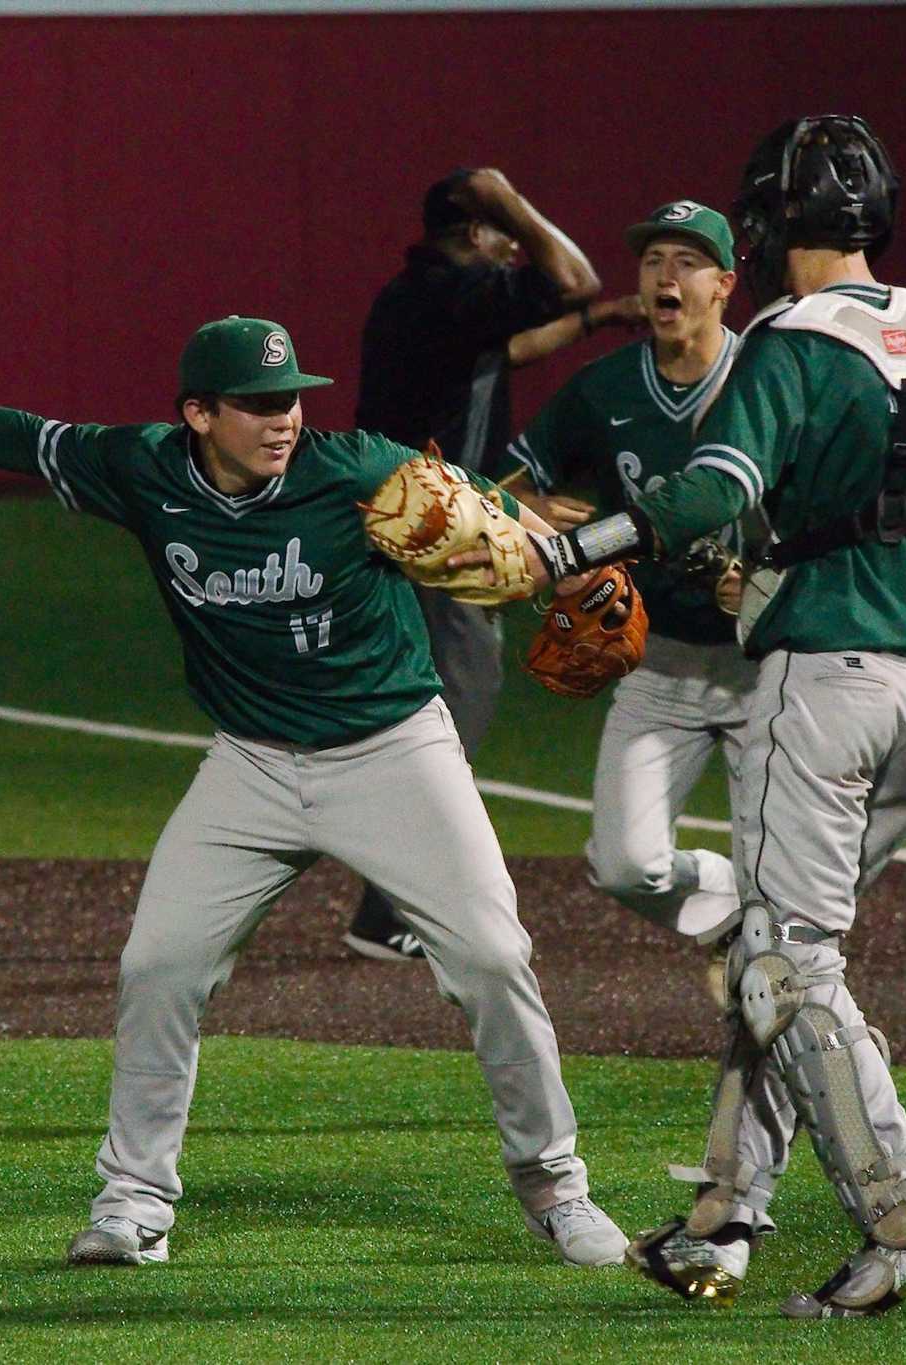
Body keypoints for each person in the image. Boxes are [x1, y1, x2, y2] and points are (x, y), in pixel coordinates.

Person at [484, 116, 906, 1316]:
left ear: (765, 223)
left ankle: (900, 1219)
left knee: (785, 970)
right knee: (776, 953)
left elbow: (709, 494)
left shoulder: (786, 344)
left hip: (819, 686)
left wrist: (569, 546)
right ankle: (721, 1221)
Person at [0, 315, 628, 1272]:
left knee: (494, 956)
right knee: (159, 965)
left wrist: (571, 554)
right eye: (258, 403)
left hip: (393, 750)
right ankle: (133, 1202)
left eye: (290, 398)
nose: (283, 418)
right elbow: (17, 435)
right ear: (198, 414)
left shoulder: (357, 469)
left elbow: (488, 505)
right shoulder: (144, 468)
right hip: (250, 765)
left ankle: (556, 1188)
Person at [343, 167, 645, 962]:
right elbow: (574, 277)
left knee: (419, 713)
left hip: (407, 523)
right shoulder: (453, 293)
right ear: (474, 231)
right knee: (450, 715)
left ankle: (389, 895)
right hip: (436, 535)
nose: (513, 246)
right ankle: (387, 906)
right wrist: (507, 197)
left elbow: (508, 348)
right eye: (499, 233)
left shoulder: (420, 298)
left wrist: (598, 322)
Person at [501, 199, 752, 942]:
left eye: (686, 262)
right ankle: (726, 892)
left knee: (791, 873)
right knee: (623, 865)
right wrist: (528, 509)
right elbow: (504, 489)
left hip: (769, 668)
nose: (664, 277)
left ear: (725, 285)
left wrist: (769, 577)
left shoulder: (768, 381)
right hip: (659, 663)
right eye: (652, 261)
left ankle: (775, 974)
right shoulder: (604, 389)